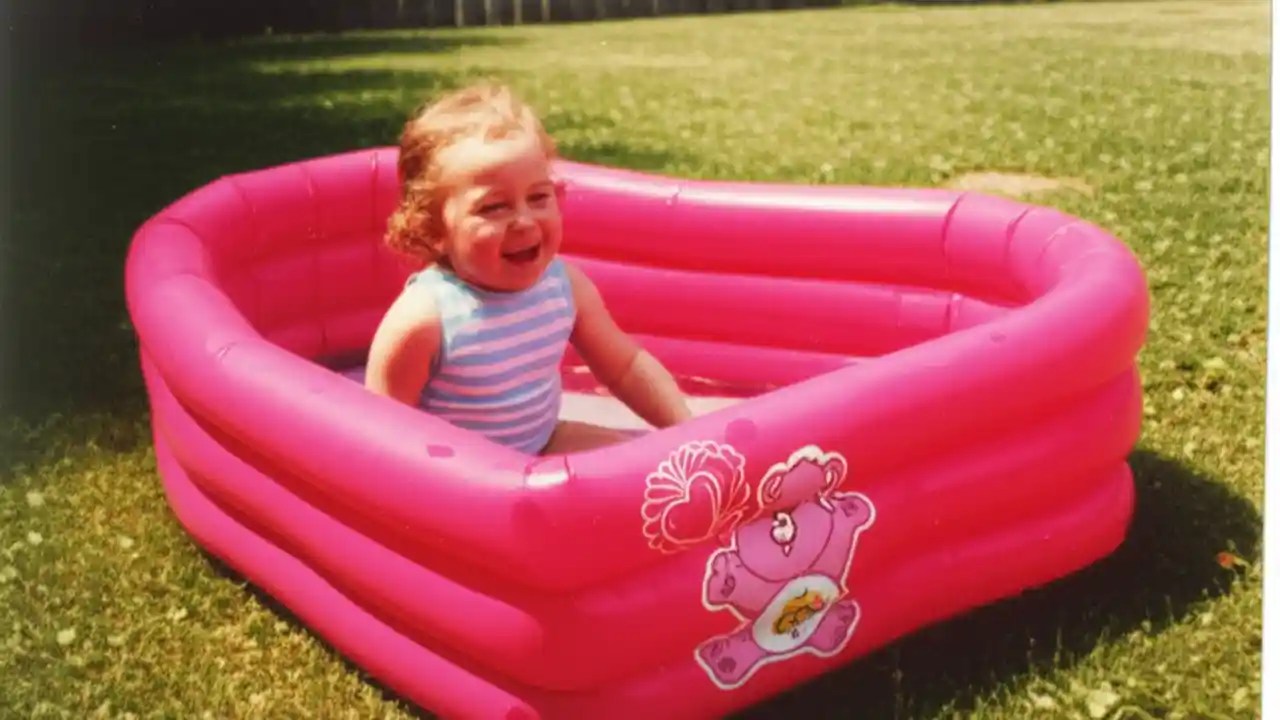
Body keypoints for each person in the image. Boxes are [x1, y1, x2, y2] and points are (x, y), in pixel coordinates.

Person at [364, 83, 692, 455]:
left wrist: (688, 429)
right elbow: (383, 435)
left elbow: (625, 366)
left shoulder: (563, 286)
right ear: (434, 230)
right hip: (462, 478)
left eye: (538, 197)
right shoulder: (425, 319)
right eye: (493, 207)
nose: (524, 221)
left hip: (542, 443)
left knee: (643, 470)